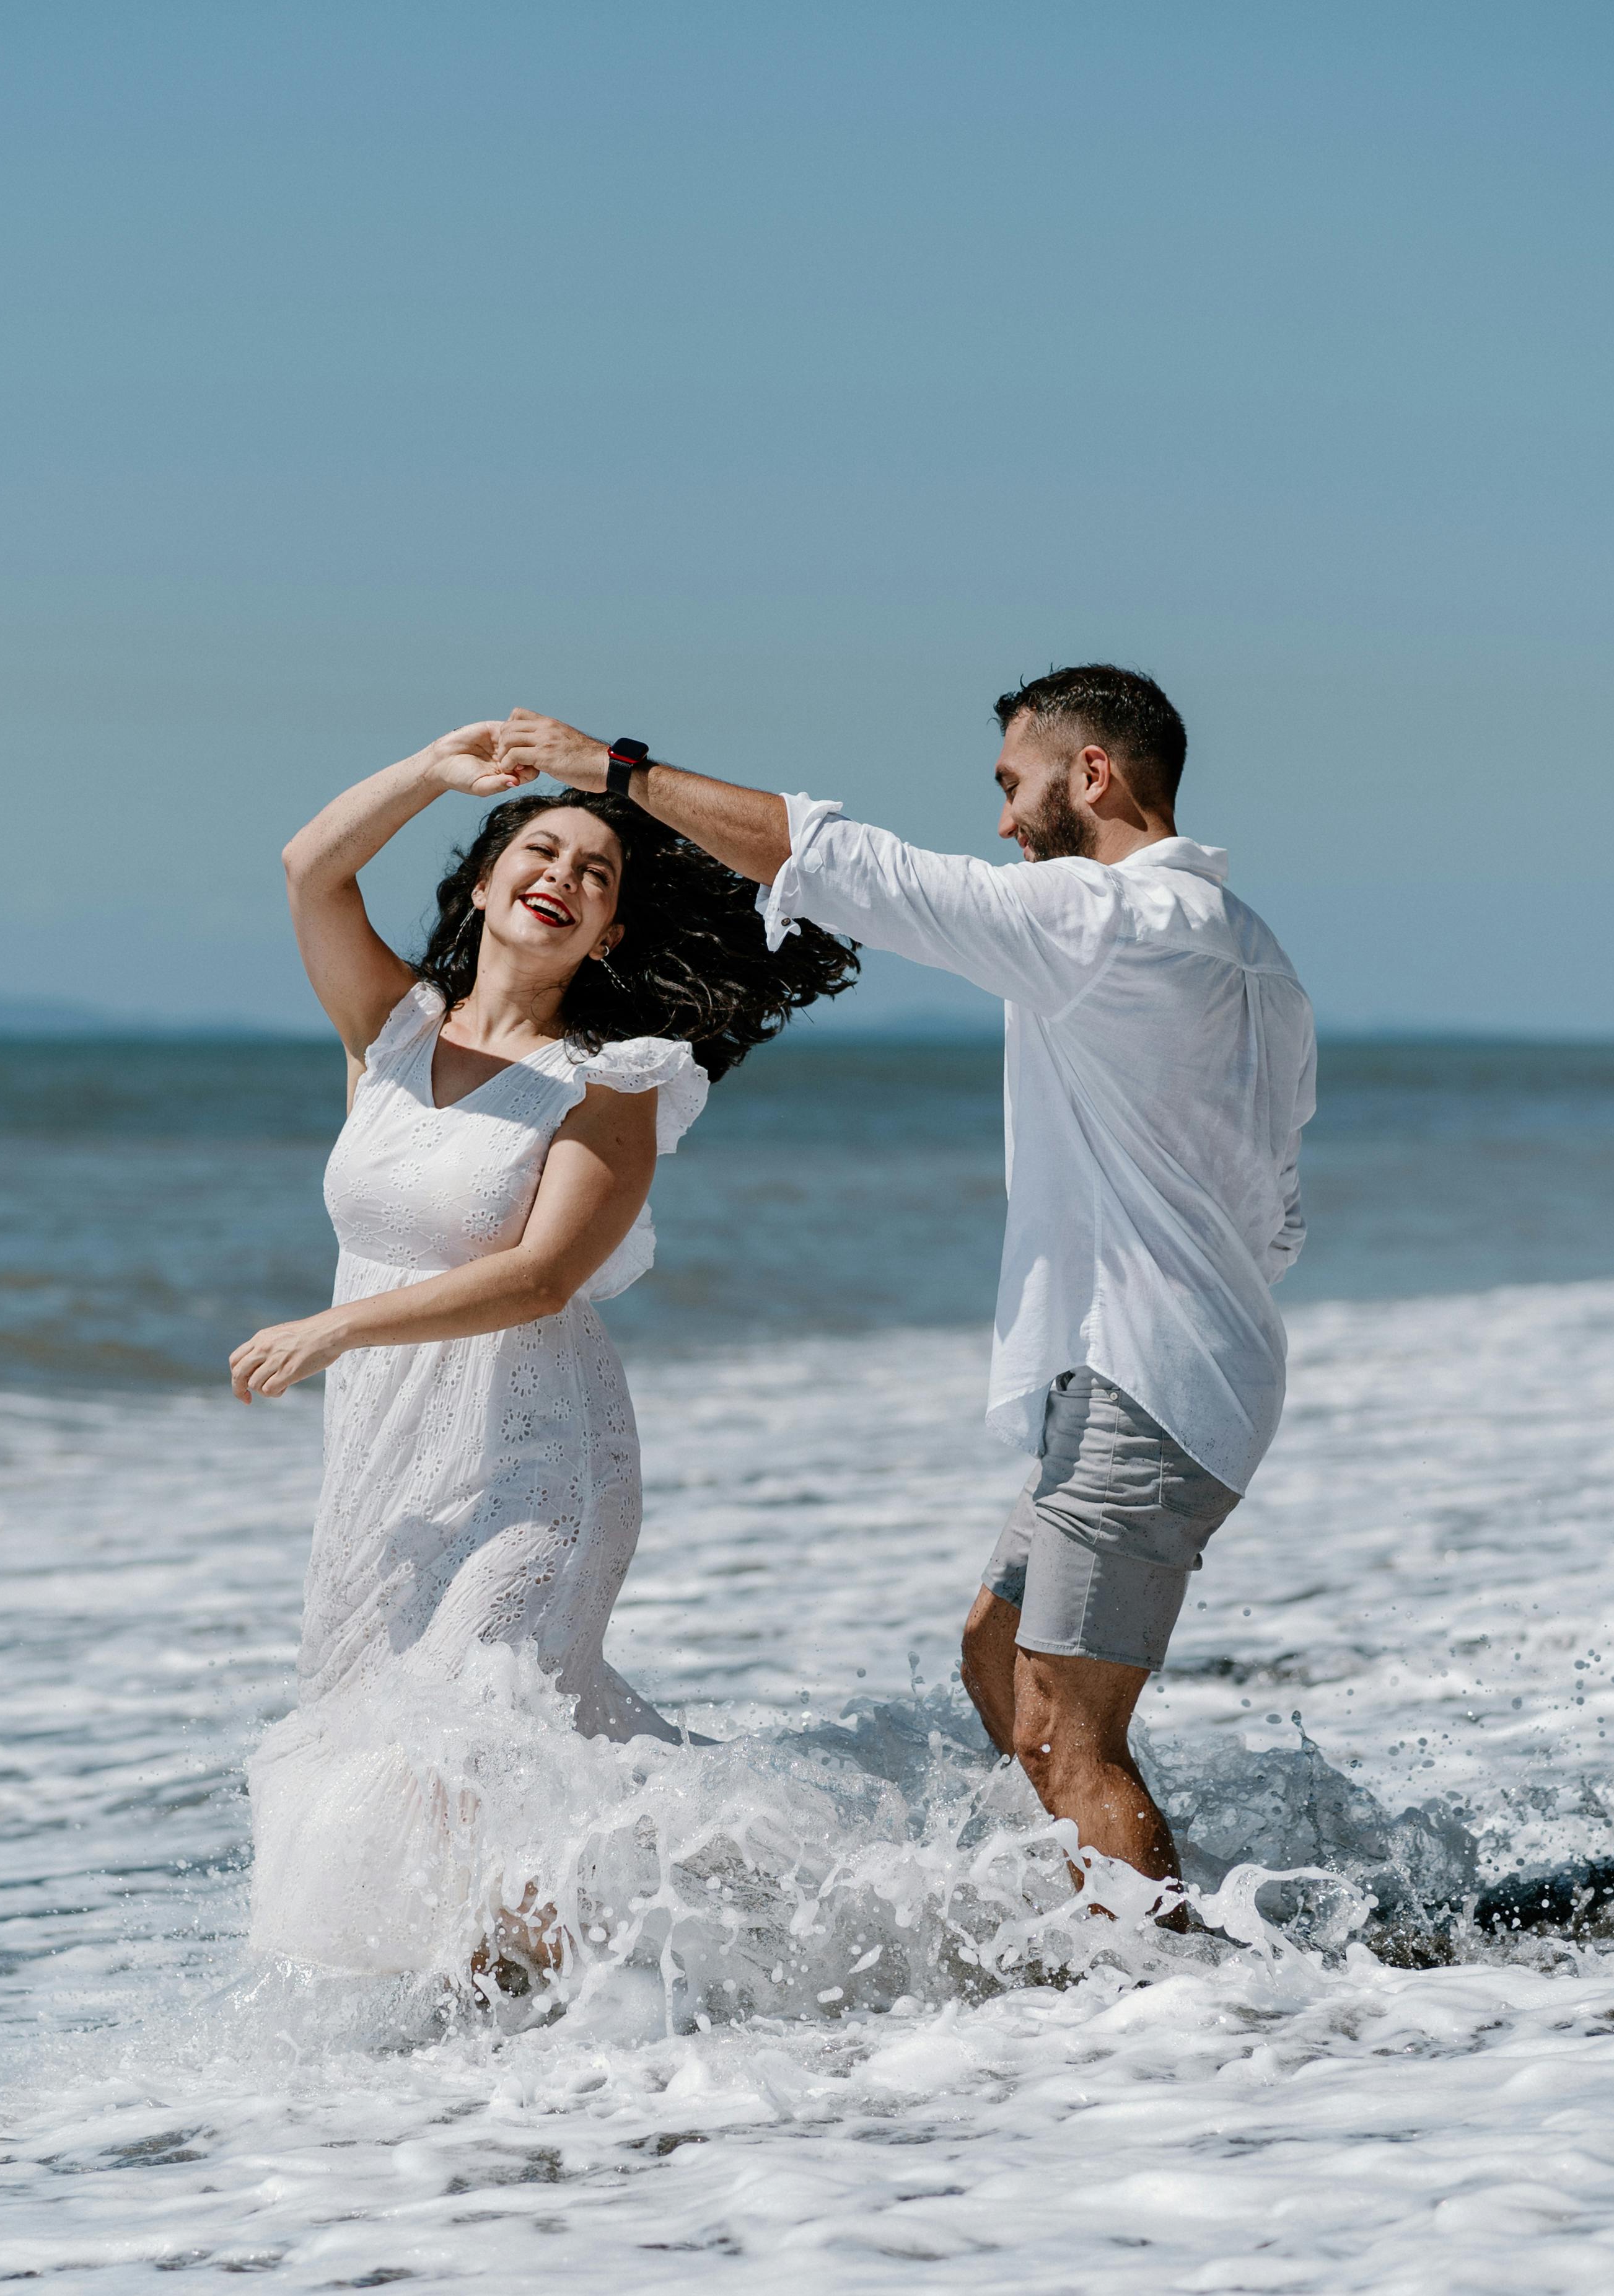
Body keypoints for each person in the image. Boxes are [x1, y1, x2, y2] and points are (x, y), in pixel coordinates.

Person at [494, 669, 1314, 1914]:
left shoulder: (1093, 921)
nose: (1000, 820)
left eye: (1010, 782)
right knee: (996, 1659)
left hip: (1156, 1384)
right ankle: (1103, 1920)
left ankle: (1182, 2007)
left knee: (1078, 1732)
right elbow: (1277, 1205)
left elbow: (844, 864)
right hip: (1168, 1371)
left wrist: (618, 772)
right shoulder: (1252, 951)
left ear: (1090, 772)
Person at [233, 721, 857, 1976]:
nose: (565, 874)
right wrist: (424, 771)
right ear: (485, 881)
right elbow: (309, 868)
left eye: (596, 872)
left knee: (467, 1734)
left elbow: (541, 1277)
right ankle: (706, 1944)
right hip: (389, 1456)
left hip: (538, 1459)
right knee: (389, 1740)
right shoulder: (390, 1031)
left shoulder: (609, 1081)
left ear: (609, 932)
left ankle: (555, 2043)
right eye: (542, 846)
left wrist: (334, 1324)